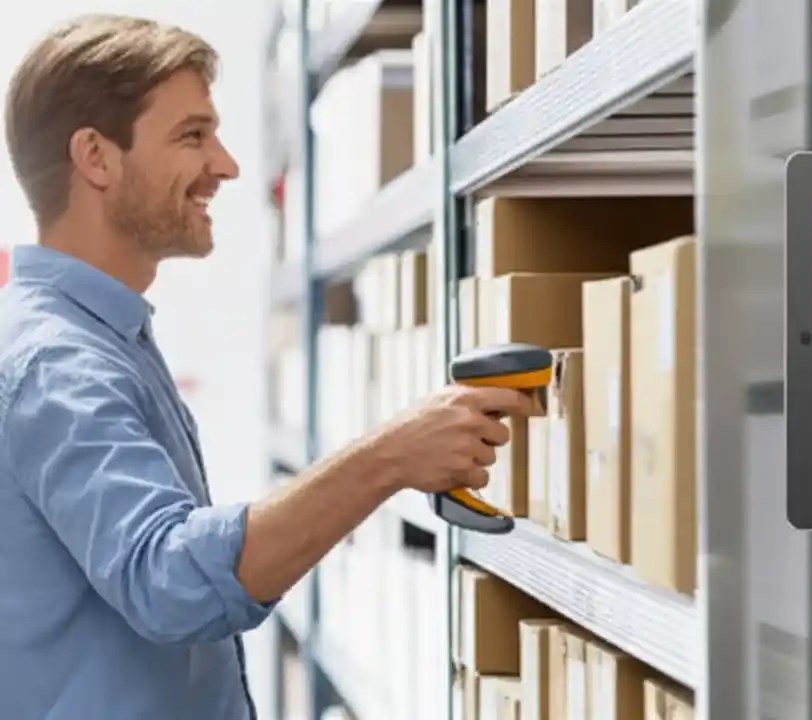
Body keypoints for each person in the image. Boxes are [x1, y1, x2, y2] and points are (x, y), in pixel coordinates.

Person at [0, 14, 531, 720]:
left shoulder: (101, 336)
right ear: (96, 158)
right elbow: (170, 581)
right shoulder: (57, 361)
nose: (226, 165)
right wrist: (391, 456)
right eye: (193, 135)